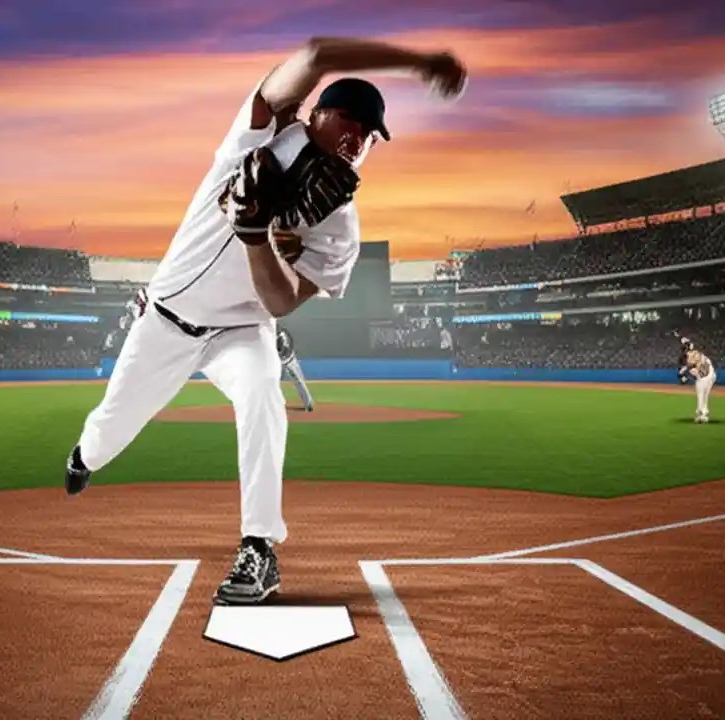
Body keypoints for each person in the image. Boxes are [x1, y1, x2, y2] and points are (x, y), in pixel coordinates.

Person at [63, 37, 467, 605]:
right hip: (165, 319)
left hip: (241, 331)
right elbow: (319, 53)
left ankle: (259, 547)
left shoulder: (340, 231)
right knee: (108, 432)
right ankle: (84, 456)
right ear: (318, 112)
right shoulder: (259, 135)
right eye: (350, 118)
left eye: (371, 135)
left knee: (262, 398)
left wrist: (257, 239)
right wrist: (419, 62)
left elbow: (280, 304)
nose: (358, 137)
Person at [276, 325, 315, 412]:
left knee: (299, 380)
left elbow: (286, 350)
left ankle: (308, 404)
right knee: (274, 383)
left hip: (290, 360)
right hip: (278, 361)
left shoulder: (282, 335)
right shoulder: (268, 336)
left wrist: (281, 362)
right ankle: (279, 403)